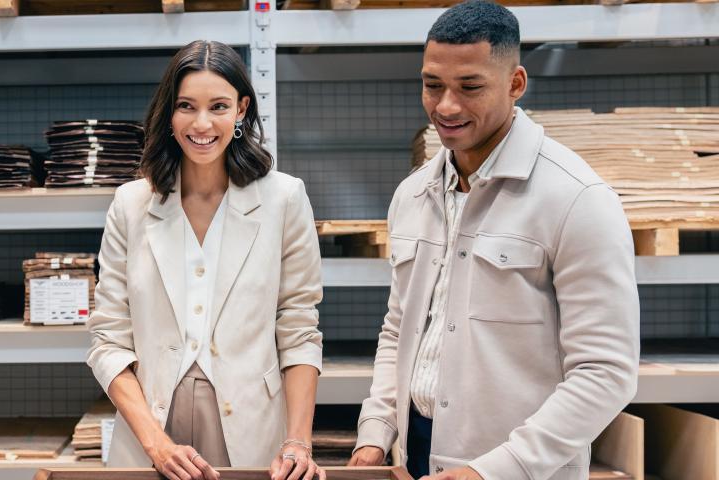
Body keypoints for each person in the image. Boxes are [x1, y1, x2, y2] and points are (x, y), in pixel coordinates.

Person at [348, 2, 640, 479]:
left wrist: (494, 470)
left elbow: (606, 374)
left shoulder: (575, 199)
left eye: (470, 87)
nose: (446, 106)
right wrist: (376, 432)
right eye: (432, 85)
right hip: (418, 455)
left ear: (515, 84)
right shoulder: (413, 195)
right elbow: (399, 329)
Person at [86, 40, 326, 480]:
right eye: (186, 106)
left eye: (218, 106)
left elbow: (298, 327)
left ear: (241, 110)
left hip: (252, 426)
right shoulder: (131, 204)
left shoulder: (283, 199)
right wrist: (157, 444)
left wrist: (297, 440)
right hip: (151, 426)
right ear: (169, 113)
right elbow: (109, 340)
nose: (201, 123)